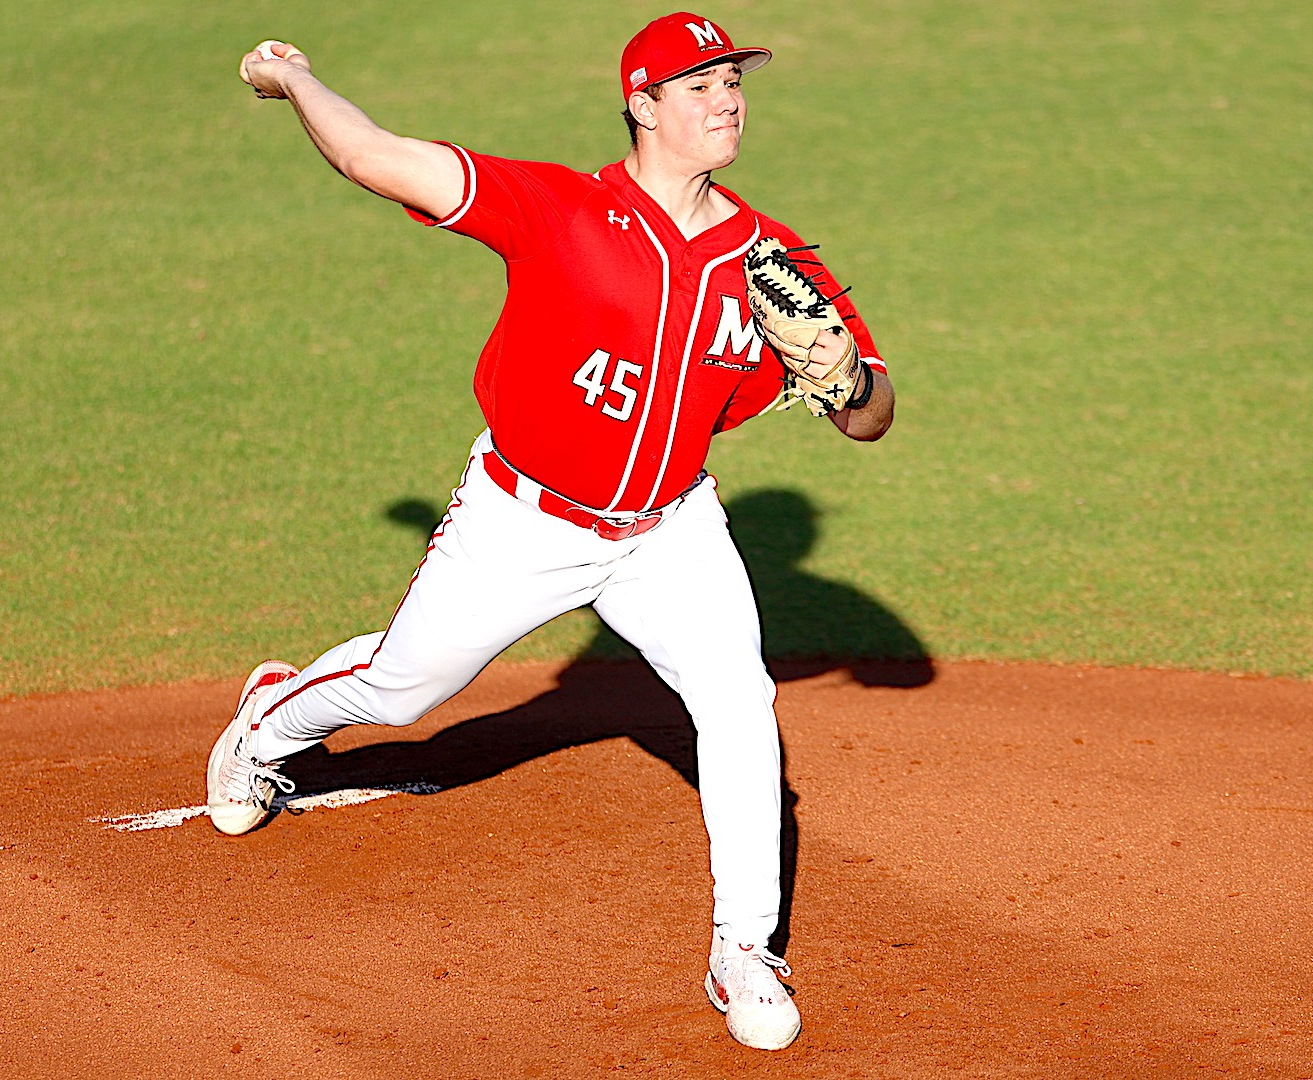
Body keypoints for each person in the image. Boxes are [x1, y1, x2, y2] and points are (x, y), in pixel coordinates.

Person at [208, 11, 895, 1051]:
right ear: (642, 103)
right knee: (403, 690)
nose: (728, 100)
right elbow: (373, 156)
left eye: (734, 82)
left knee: (738, 704)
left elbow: (872, 416)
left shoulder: (765, 256)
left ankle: (744, 952)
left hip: (671, 528)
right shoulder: (560, 209)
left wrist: (846, 378)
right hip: (523, 518)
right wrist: (298, 80)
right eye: (701, 86)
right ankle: (269, 720)